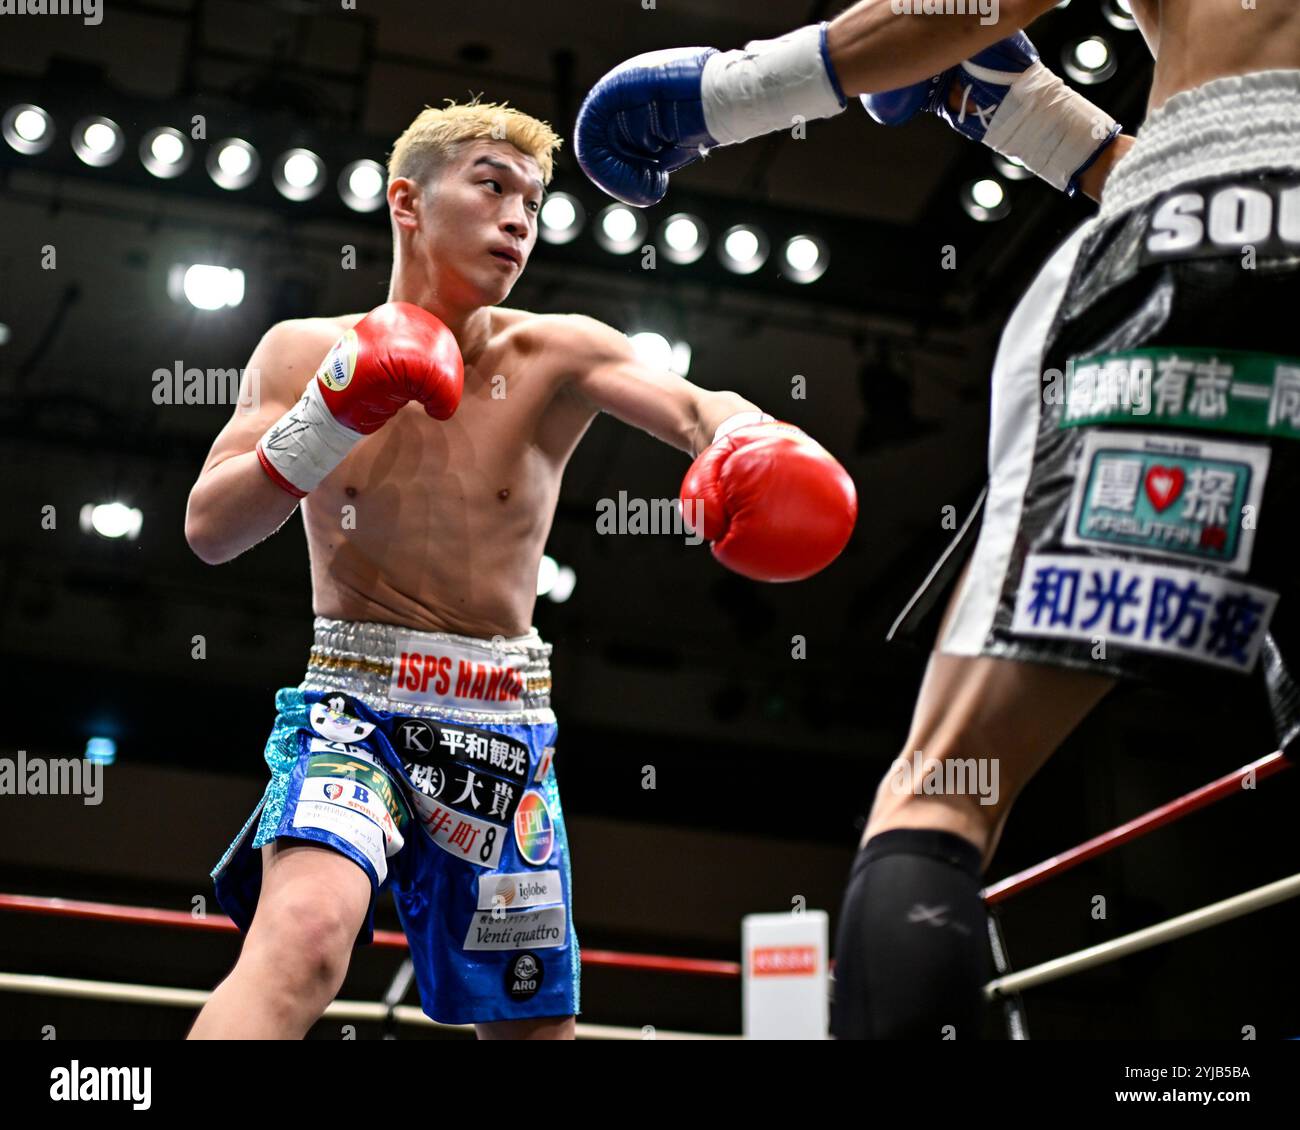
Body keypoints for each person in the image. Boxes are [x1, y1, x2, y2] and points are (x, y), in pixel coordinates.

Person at [575, 0, 1300, 1038]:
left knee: (943, 790)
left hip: (1203, 227)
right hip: (1224, 197)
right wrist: (1038, 122)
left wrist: (719, 95)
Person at [183, 99, 857, 1040]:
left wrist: (753, 439)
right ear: (407, 201)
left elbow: (700, 407)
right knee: (303, 937)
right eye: (492, 186)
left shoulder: (557, 353)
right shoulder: (304, 351)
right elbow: (210, 529)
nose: (517, 220)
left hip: (503, 731)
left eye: (533, 204)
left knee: (532, 1035)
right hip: (354, 709)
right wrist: (334, 409)